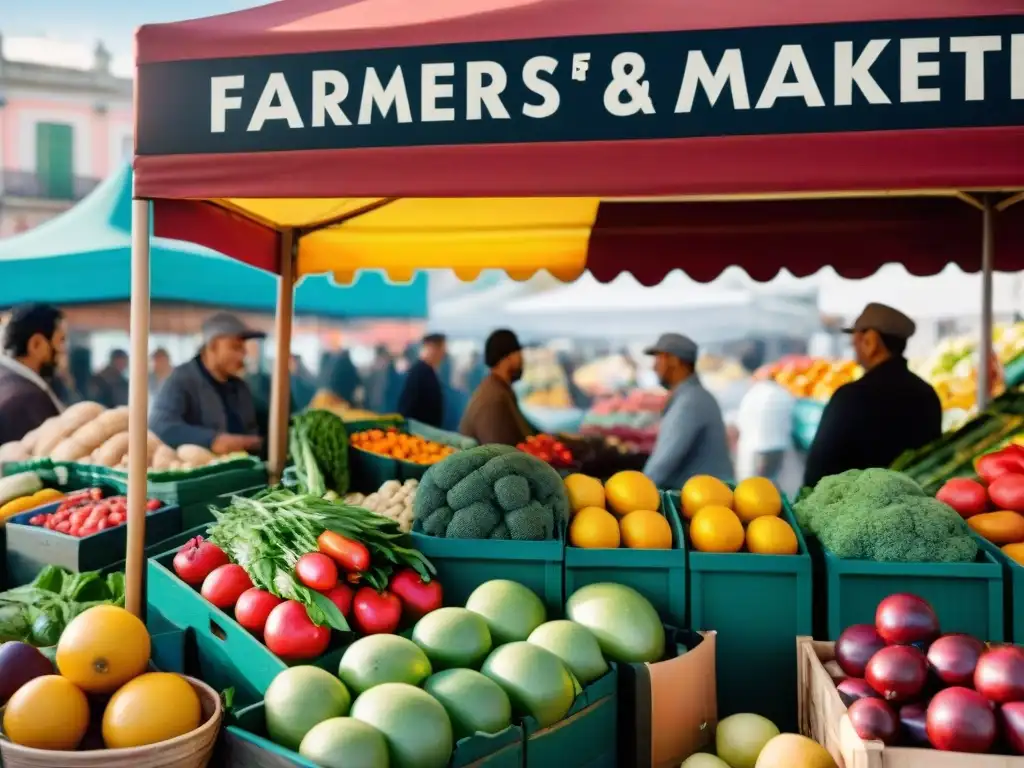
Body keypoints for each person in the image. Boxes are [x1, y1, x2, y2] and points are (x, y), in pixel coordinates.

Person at [803, 303, 942, 487]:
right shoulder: (927, 394)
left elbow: (817, 473)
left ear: (871, 342)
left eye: (857, 339)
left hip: (849, 511)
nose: (853, 344)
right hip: (913, 504)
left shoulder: (850, 397)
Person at [149, 312, 264, 455]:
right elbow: (160, 426)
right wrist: (213, 440)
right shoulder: (181, 379)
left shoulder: (240, 387)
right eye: (235, 347)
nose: (243, 355)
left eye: (243, 348)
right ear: (213, 346)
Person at [642, 333, 733, 489]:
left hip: (706, 500)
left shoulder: (691, 402)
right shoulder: (694, 397)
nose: (654, 367)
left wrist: (639, 490)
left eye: (658, 359)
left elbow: (662, 463)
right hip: (705, 497)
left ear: (674, 360)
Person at [0, 303, 67, 445]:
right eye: (60, 341)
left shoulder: (9, 383)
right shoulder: (25, 399)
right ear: (36, 344)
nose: (63, 351)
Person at [460, 329, 537, 446]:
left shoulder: (499, 389)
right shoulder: (494, 398)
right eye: (519, 354)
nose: (522, 360)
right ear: (507, 358)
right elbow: (499, 454)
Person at [735, 348, 796, 484]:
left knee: (752, 489)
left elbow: (741, 423)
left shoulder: (753, 394)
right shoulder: (783, 393)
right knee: (771, 486)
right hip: (778, 447)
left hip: (755, 449)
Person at [397, 334, 447, 427]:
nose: (443, 354)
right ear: (432, 347)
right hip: (419, 434)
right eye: (442, 349)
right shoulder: (420, 373)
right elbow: (407, 407)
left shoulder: (429, 372)